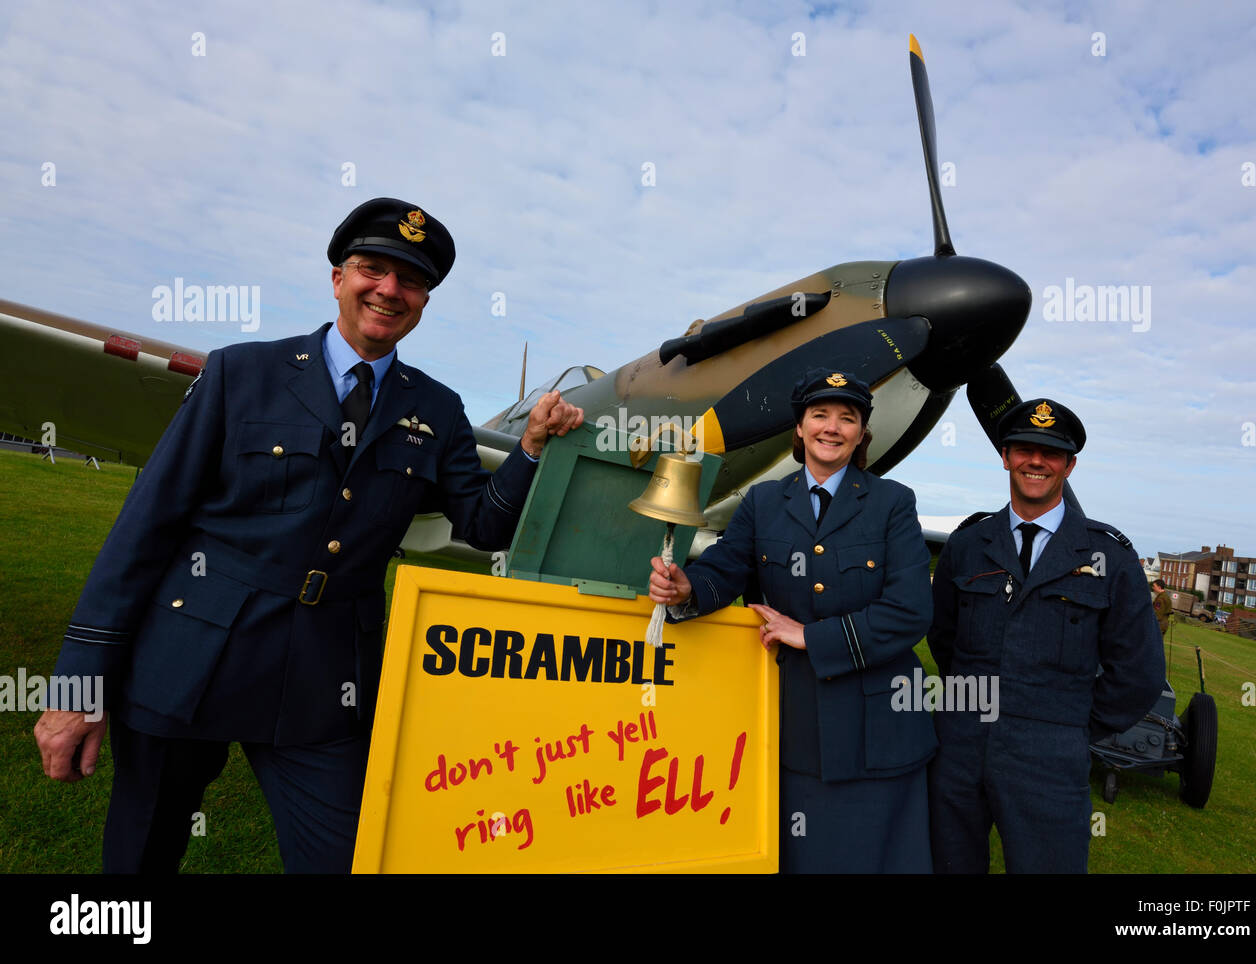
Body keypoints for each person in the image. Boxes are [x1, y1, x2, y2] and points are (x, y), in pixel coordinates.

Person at [33, 197, 583, 872]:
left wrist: (529, 448)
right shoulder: (242, 373)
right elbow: (143, 531)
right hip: (188, 662)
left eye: (409, 280)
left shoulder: (436, 409)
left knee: (349, 858)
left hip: (324, 684)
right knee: (141, 855)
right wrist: (74, 692)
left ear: (423, 301)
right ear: (337, 278)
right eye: (372, 269)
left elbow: (483, 525)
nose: (388, 289)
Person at [649, 369, 935, 873]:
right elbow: (726, 567)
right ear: (799, 430)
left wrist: (810, 635)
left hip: (877, 732)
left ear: (861, 434)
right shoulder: (763, 503)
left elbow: (910, 611)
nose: (832, 427)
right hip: (792, 724)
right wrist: (687, 588)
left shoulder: (893, 504)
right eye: (819, 415)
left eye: (847, 419)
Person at [927, 398, 1163, 873]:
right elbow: (944, 638)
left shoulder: (1108, 556)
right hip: (960, 751)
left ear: (1069, 465)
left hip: (1051, 759)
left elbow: (1138, 672)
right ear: (1006, 455)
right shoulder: (969, 544)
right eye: (1025, 449)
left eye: (1051, 452)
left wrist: (1069, 726)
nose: (1036, 461)